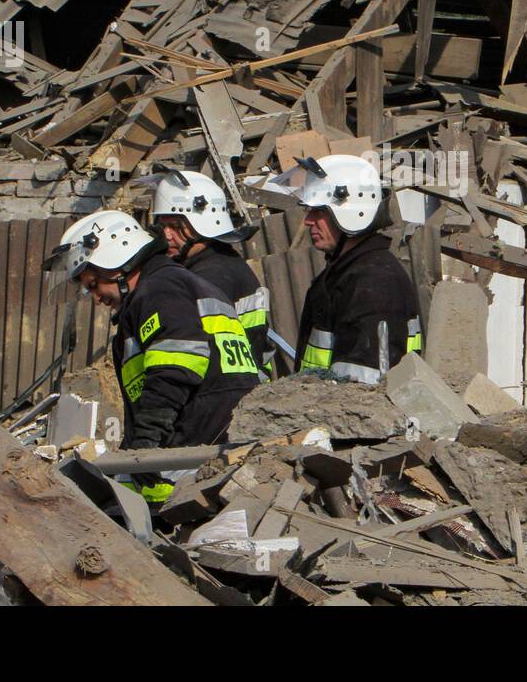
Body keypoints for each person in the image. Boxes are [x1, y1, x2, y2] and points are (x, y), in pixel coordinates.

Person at [45, 210, 262, 505]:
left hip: (193, 458)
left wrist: (147, 445)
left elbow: (176, 365)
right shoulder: (175, 284)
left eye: (94, 284)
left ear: (116, 262)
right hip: (207, 446)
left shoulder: (159, 291)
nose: (96, 298)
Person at [286, 154, 422, 384]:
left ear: (352, 212)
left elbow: (365, 389)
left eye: (319, 211)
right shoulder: (348, 273)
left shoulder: (374, 282)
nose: (308, 221)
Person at [147, 169, 272, 373]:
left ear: (202, 224)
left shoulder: (211, 276)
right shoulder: (222, 263)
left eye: (173, 226)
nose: (166, 236)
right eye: (163, 227)